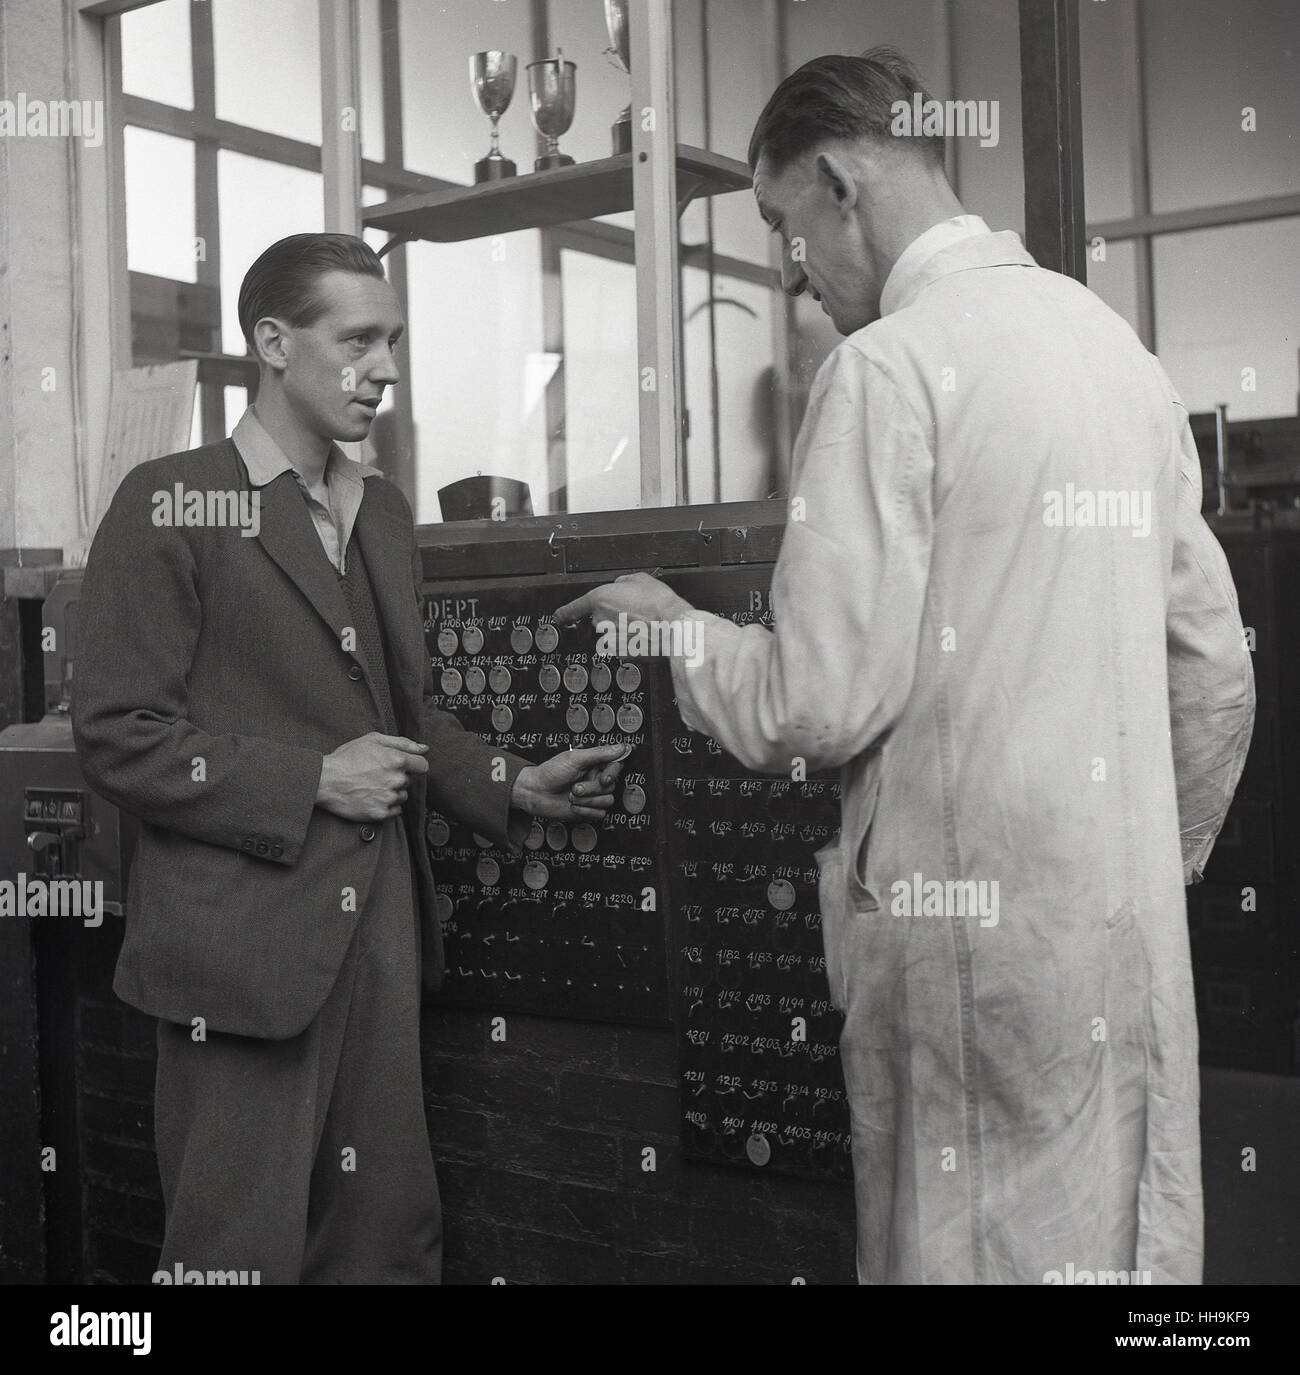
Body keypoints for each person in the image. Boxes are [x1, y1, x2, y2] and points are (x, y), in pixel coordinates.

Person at [557, 49, 1255, 1284]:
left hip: (965, 960)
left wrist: (672, 625)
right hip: (1115, 937)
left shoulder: (883, 371)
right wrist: (1143, 859)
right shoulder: (1115, 353)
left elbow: (814, 703)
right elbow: (1213, 675)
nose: (787, 268)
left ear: (838, 181)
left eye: (780, 223)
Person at [73, 232, 627, 1284]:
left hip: (373, 935)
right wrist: (313, 779)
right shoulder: (169, 500)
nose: (384, 368)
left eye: (394, 341)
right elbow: (116, 734)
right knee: (235, 1251)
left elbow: (401, 713)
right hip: (237, 955)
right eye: (357, 339)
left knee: (384, 1246)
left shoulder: (382, 513)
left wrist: (511, 784)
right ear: (274, 344)